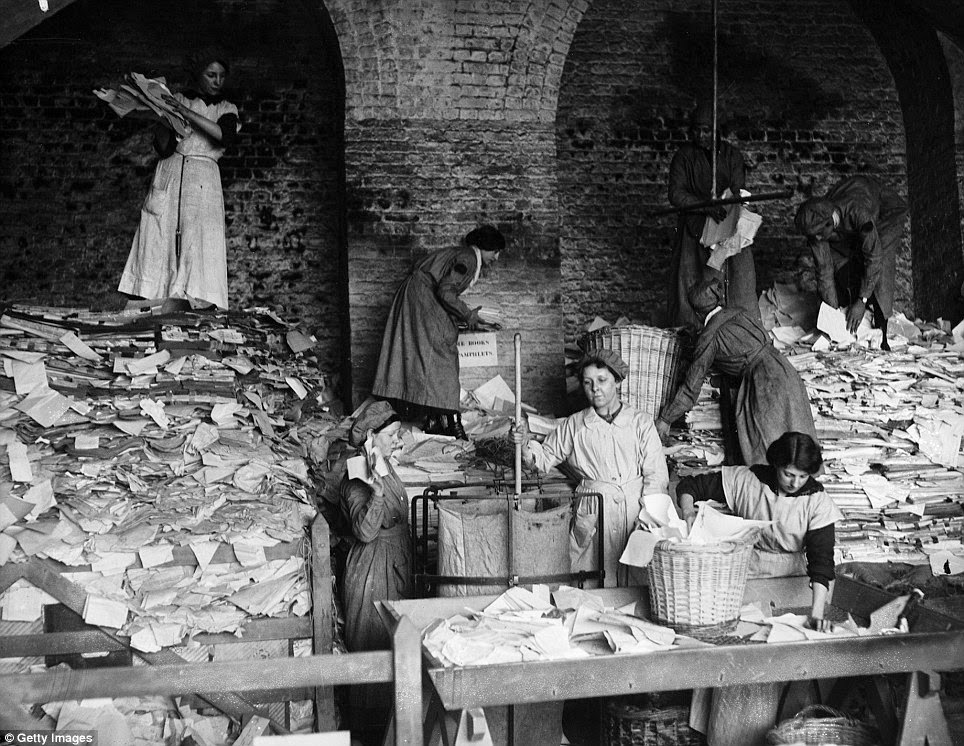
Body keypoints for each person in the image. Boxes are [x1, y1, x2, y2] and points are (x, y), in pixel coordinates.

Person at [511, 350, 669, 587]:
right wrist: (523, 444)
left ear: (616, 381)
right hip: (594, 511)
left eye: (602, 380)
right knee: (592, 582)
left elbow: (656, 476)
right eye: (588, 383)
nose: (595, 388)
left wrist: (647, 517)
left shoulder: (640, 422)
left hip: (635, 511)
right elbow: (544, 457)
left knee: (636, 583)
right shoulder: (575, 424)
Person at [675, 431, 842, 630]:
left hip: (792, 582)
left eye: (802, 476)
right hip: (745, 575)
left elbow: (821, 562)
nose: (795, 483)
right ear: (776, 465)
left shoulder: (817, 501)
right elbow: (691, 486)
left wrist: (816, 614)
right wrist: (688, 513)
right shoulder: (747, 480)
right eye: (788, 474)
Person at [118, 51, 240, 310]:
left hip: (203, 180)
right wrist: (163, 117)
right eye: (211, 75)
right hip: (171, 174)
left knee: (199, 247)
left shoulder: (226, 108)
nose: (217, 81)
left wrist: (185, 113)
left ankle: (198, 308)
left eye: (221, 76)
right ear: (199, 74)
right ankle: (157, 308)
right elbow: (162, 148)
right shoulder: (178, 99)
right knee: (160, 242)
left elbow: (224, 136)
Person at [655, 278, 817, 466]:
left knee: (768, 447)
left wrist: (666, 418)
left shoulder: (709, 337)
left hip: (762, 383)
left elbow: (691, 388)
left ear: (698, 313)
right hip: (783, 369)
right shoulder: (740, 313)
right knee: (798, 435)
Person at [372, 225, 504, 438]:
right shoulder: (468, 258)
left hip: (418, 296)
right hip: (422, 298)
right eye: (495, 251)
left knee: (427, 357)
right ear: (485, 247)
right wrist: (468, 315)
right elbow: (445, 291)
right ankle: (452, 423)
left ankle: (433, 419)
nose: (496, 257)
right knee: (444, 353)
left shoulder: (462, 254)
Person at [340, 449, 413, 744]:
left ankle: (392, 726)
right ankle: (366, 732)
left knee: (397, 641)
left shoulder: (383, 465)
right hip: (372, 565)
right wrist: (378, 495)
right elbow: (365, 530)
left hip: (394, 560)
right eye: (390, 434)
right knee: (371, 637)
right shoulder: (357, 474)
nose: (396, 440)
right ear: (371, 437)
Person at [667, 102, 756, 330]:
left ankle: (738, 329)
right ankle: (693, 330)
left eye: (706, 130)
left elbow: (738, 188)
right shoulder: (684, 157)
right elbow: (676, 194)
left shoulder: (731, 155)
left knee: (737, 276)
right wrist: (705, 206)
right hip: (694, 227)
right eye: (696, 130)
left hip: (725, 222)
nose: (700, 135)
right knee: (692, 278)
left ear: (717, 131)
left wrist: (726, 201)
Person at [794, 175, 908, 350]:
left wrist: (861, 301)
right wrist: (833, 315)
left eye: (818, 235)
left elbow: (874, 256)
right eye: (813, 236)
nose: (816, 239)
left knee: (880, 263)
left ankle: (881, 331)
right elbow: (824, 270)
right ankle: (850, 317)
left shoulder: (858, 212)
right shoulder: (817, 226)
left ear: (829, 223)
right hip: (845, 227)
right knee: (843, 269)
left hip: (884, 212)